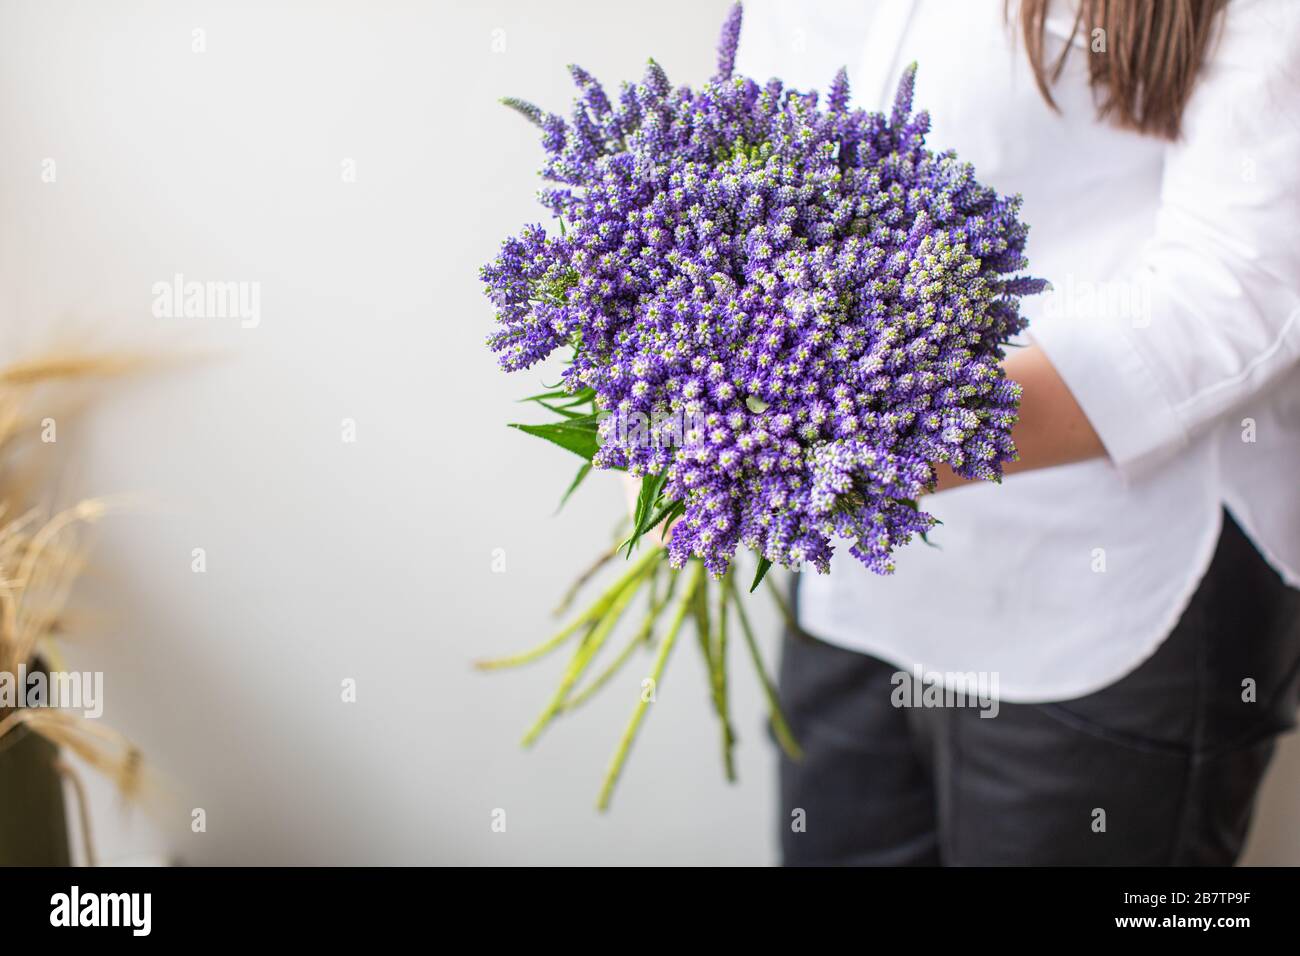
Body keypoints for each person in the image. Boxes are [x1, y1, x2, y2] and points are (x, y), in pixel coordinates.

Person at [734, 0, 1300, 865]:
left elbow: (1243, 279)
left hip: (1114, 600)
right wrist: (687, 402)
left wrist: (889, 440)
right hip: (857, 581)